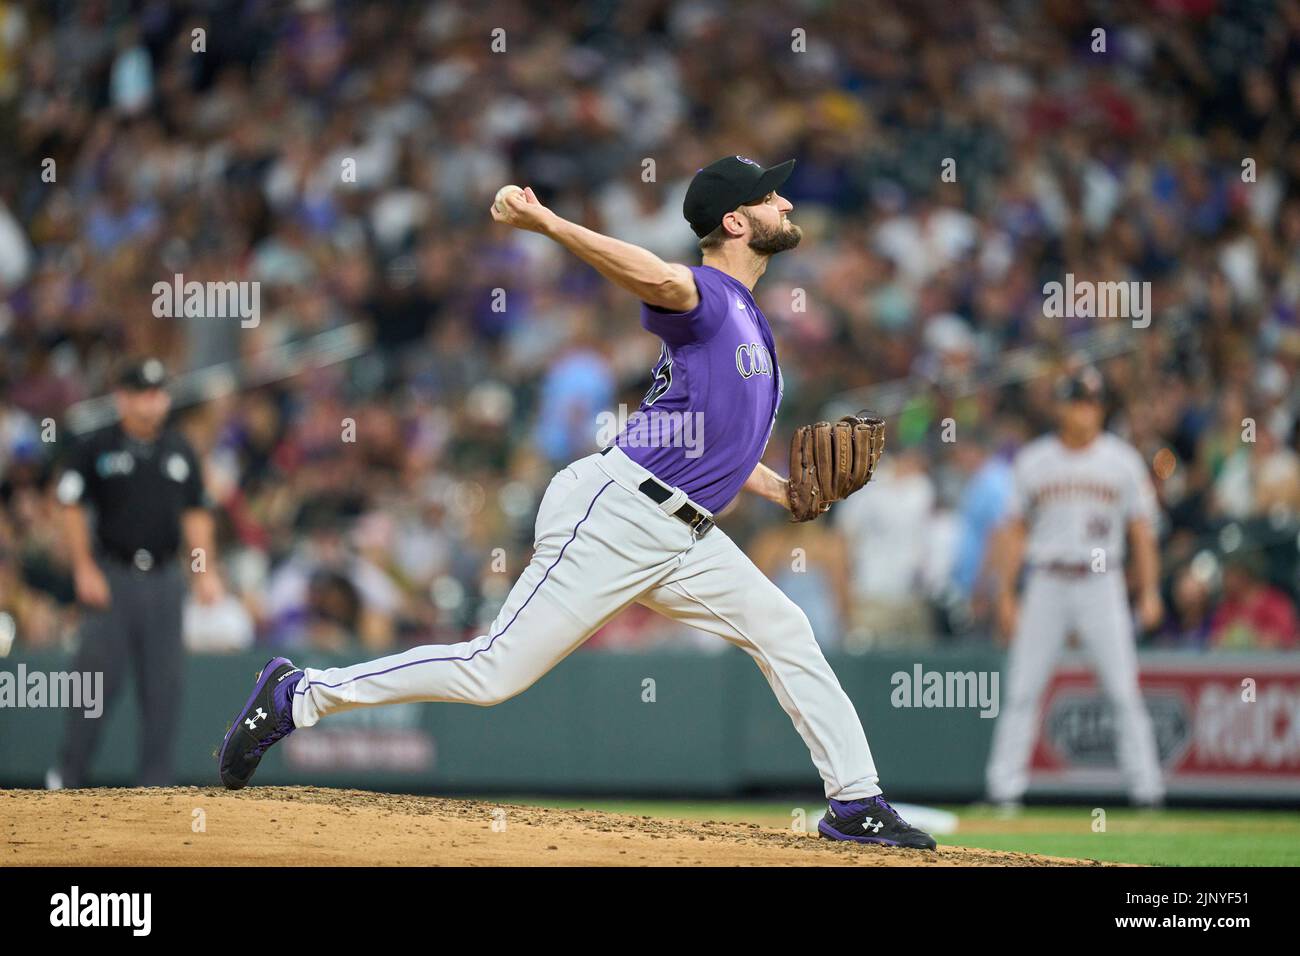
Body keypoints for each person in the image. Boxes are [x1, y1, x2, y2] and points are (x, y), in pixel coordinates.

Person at [219, 156, 937, 850]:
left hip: (682, 530)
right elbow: (653, 273)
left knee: (785, 629)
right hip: (619, 514)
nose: (784, 202)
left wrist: (780, 488)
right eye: (769, 196)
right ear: (735, 222)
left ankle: (855, 803)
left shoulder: (744, 317)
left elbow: (705, 439)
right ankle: (299, 694)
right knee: (493, 672)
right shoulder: (705, 294)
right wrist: (550, 225)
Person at [984, 368, 1165, 808]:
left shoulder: (1122, 460)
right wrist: (1007, 594)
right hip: (1046, 580)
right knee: (1024, 689)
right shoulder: (1035, 459)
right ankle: (1003, 793)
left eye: (1091, 402)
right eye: (1077, 401)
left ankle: (1148, 794)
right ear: (1061, 406)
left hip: (1101, 582)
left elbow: (1142, 532)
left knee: (1122, 690)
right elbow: (1014, 533)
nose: (1085, 410)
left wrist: (1150, 591)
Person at [51, 358, 223, 787]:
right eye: (143, 393)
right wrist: (83, 567)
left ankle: (156, 788)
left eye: (159, 393)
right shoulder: (96, 446)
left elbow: (197, 512)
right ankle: (66, 777)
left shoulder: (180, 450)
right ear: (122, 397)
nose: (153, 403)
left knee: (164, 688)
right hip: (112, 577)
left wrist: (203, 570)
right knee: (93, 685)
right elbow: (69, 505)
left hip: (165, 579)